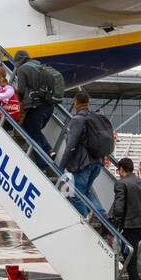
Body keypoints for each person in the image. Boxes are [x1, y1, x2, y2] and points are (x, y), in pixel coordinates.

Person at [59, 90, 104, 219]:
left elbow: (71, 145)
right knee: (86, 192)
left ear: (76, 103)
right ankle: (102, 217)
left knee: (75, 195)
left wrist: (61, 166)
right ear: (88, 103)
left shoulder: (78, 120)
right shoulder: (95, 118)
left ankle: (86, 222)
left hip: (84, 164)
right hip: (97, 162)